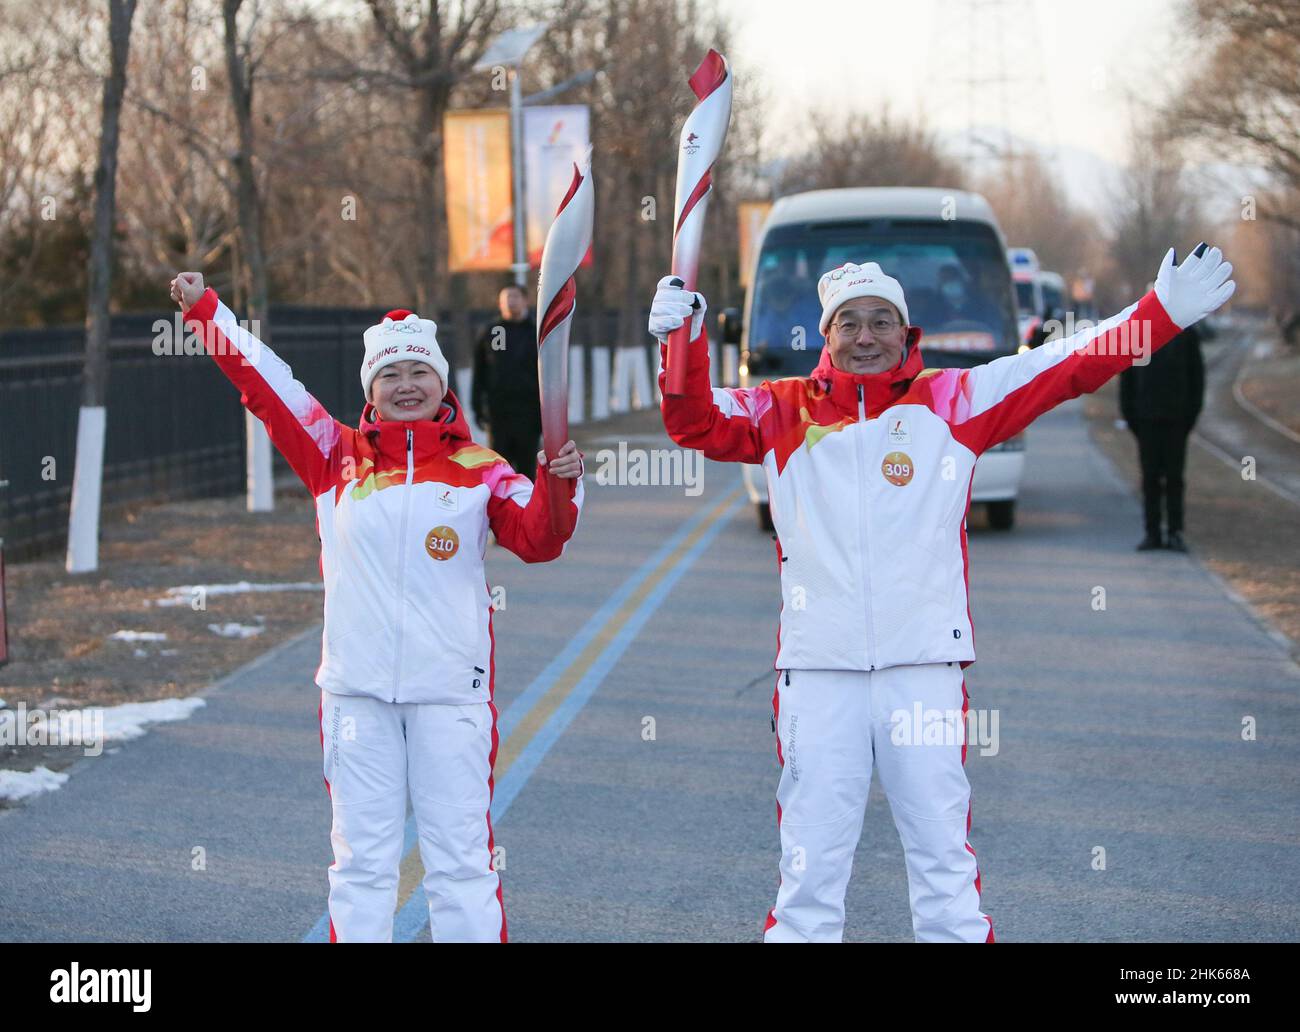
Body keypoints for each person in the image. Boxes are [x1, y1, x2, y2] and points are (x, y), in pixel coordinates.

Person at [650, 245, 1234, 943]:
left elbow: (1070, 365)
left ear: (906, 331)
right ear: (826, 335)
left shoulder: (956, 400)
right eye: (848, 323)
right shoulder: (780, 412)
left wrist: (1159, 314)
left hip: (922, 670)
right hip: (818, 673)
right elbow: (690, 420)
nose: (865, 337)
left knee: (944, 872)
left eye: (881, 321)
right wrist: (682, 342)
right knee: (809, 878)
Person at [169, 270, 584, 942]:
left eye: (420, 370)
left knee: (460, 866)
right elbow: (268, 385)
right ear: (371, 389)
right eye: (391, 374)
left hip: (450, 697)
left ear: (443, 382)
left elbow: (541, 539)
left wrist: (561, 485)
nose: (407, 385)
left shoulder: (482, 468)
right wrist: (208, 313)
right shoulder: (333, 455)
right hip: (356, 696)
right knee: (363, 867)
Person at [1119, 315, 1205, 551]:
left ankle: (1175, 532)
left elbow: (1197, 378)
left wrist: (1189, 417)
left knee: (1175, 479)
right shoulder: (1138, 335)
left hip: (1176, 420)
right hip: (1146, 421)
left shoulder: (1186, 334)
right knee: (1150, 479)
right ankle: (1152, 532)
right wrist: (1131, 417)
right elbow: (1126, 379)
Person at [472, 284, 542, 480]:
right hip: (499, 414)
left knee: (527, 469)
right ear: (500, 303)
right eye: (506, 297)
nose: (511, 301)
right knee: (500, 468)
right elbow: (482, 371)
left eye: (515, 296)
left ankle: (528, 507)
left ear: (525, 300)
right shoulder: (494, 332)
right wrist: (477, 406)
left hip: (529, 413)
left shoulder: (535, 331)